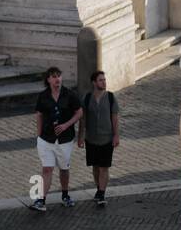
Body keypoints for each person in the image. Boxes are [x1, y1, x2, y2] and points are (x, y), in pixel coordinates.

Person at [32, 67, 82, 212]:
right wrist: (38, 135)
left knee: (64, 169)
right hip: (46, 140)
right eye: (54, 77)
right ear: (48, 79)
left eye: (59, 76)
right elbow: (39, 114)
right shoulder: (43, 96)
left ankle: (65, 195)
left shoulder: (69, 94)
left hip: (65, 140)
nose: (57, 79)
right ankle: (41, 200)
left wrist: (66, 125)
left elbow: (79, 112)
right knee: (47, 169)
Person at [77, 70, 119, 208]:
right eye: (101, 80)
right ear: (94, 83)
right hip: (91, 138)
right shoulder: (87, 98)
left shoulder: (111, 97)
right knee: (95, 167)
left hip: (106, 138)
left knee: (104, 167)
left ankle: (101, 192)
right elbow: (83, 118)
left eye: (104, 80)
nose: (104, 82)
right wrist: (81, 136)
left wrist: (116, 135)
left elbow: (114, 117)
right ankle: (98, 189)